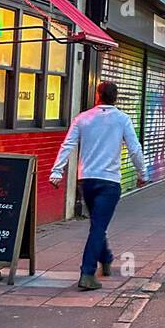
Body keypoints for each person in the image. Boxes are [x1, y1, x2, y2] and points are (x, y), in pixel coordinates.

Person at [49, 81, 147, 291]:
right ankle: (87, 273)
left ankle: (107, 257)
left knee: (97, 223)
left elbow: (67, 144)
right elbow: (135, 149)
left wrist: (57, 171)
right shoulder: (122, 119)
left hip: (87, 180)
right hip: (110, 182)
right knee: (98, 226)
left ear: (97, 95)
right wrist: (142, 173)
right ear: (116, 97)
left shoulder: (82, 118)